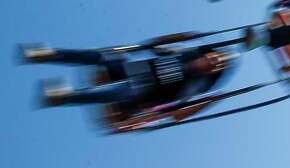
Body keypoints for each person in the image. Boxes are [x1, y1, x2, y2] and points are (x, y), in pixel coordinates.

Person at [20, 44, 237, 129]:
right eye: (214, 57)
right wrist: (164, 45)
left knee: (114, 93)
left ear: (212, 73)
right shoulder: (185, 54)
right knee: (99, 57)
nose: (212, 62)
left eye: (216, 65)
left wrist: (208, 102)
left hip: (143, 92)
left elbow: (176, 114)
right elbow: (160, 44)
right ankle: (48, 55)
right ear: (207, 54)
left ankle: (63, 97)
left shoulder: (194, 85)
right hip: (136, 69)